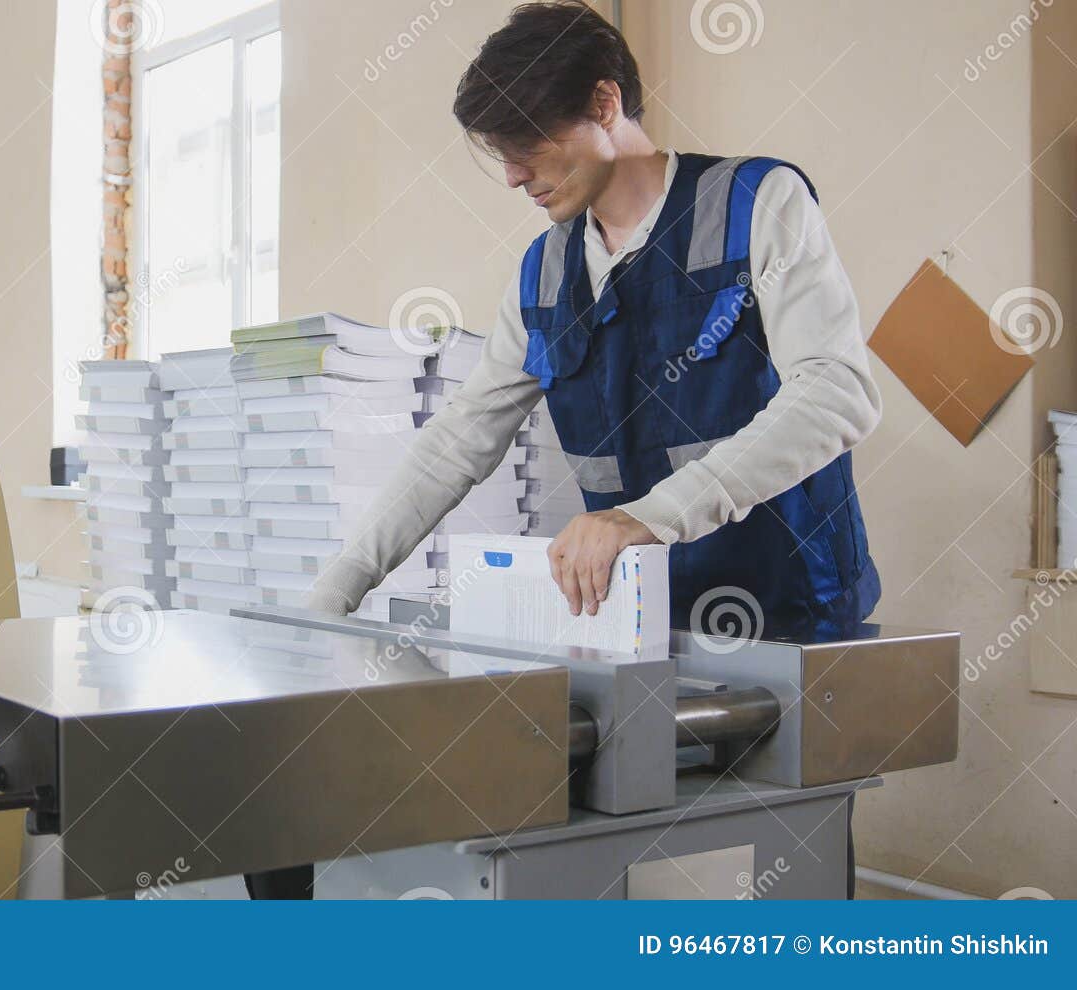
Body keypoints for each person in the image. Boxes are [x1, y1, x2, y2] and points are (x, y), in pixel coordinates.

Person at [253, 0, 882, 900]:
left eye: (528, 145)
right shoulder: (545, 272)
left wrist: (644, 518)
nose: (513, 175)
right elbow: (460, 440)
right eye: (500, 154)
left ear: (604, 102)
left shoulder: (756, 204)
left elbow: (838, 392)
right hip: (634, 627)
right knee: (589, 846)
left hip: (784, 610)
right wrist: (337, 589)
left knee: (794, 868)